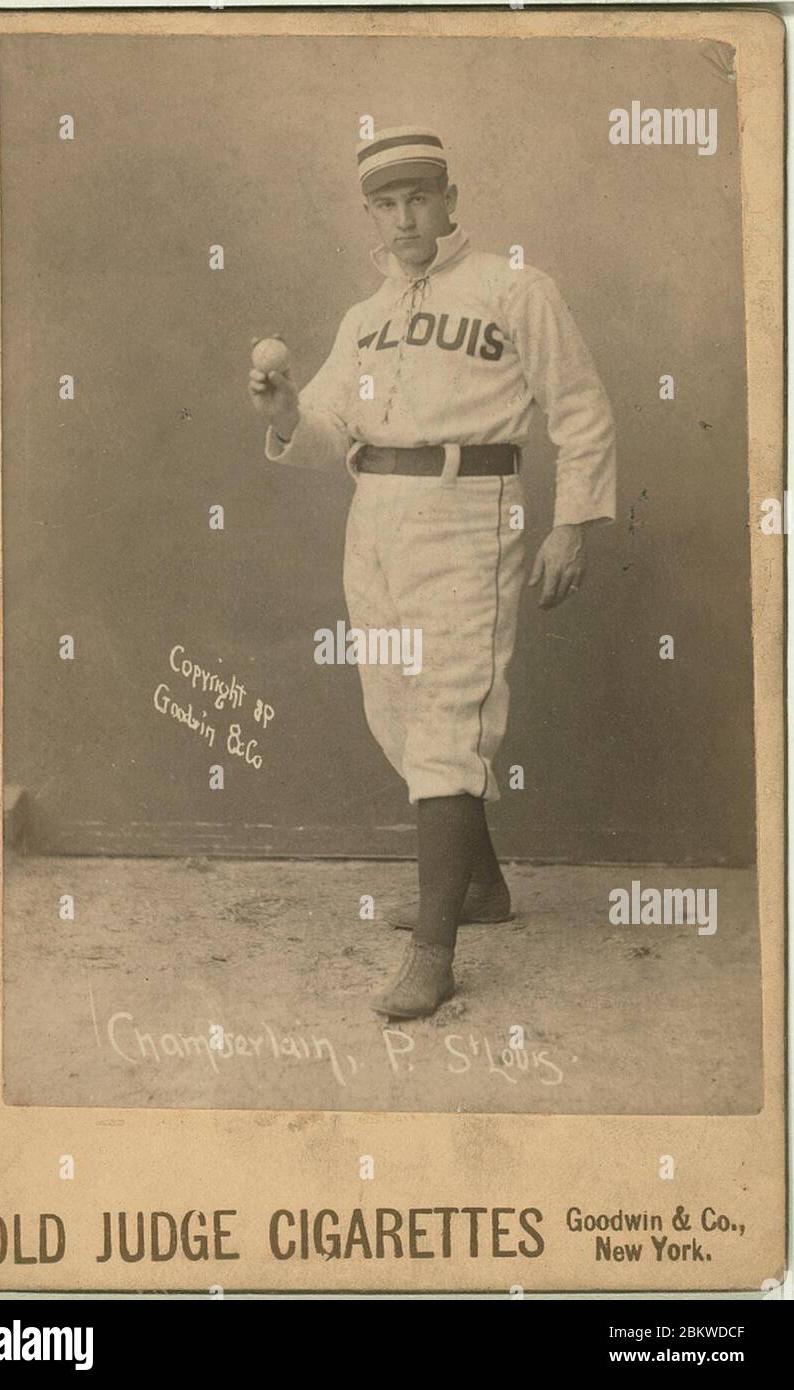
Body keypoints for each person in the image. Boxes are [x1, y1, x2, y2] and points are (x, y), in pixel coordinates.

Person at [248, 126, 616, 1019]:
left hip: (469, 507)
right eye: (386, 202)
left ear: (450, 199)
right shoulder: (363, 317)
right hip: (375, 515)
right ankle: (480, 890)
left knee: (449, 710)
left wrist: (572, 524)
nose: (404, 216)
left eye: (419, 197)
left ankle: (434, 951)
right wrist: (291, 408)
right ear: (370, 214)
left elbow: (580, 407)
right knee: (397, 711)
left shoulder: (514, 288)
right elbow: (333, 430)